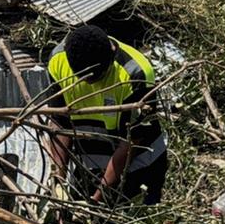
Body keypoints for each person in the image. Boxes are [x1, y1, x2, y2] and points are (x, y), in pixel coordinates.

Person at [47, 24, 168, 205]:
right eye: (83, 78)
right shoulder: (58, 62)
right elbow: (59, 122)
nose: (89, 83)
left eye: (96, 78)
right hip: (90, 165)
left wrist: (97, 198)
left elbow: (132, 142)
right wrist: (59, 180)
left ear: (111, 58)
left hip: (139, 165)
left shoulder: (135, 73)